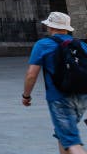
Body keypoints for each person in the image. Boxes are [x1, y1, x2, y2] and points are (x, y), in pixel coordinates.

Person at [23, 12, 87, 154]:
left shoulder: (43, 44)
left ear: (50, 27)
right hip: (82, 97)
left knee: (71, 141)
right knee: (62, 134)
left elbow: (31, 75)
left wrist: (26, 96)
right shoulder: (81, 44)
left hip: (59, 97)